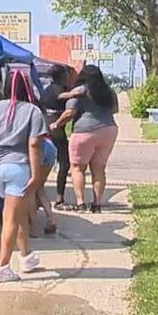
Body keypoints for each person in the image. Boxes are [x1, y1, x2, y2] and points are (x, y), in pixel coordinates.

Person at [0, 69, 48, 283]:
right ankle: (2, 266)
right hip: (18, 168)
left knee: (18, 213)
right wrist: (35, 175)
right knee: (11, 218)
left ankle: (26, 256)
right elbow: (34, 144)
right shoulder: (32, 111)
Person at [52, 64, 119, 213]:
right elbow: (114, 110)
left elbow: (69, 113)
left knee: (78, 168)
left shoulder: (79, 91)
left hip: (84, 132)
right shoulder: (109, 91)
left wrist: (56, 124)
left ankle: (81, 204)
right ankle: (96, 204)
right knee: (99, 169)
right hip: (109, 130)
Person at [40, 65, 75, 207]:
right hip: (56, 129)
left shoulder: (46, 89)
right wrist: (76, 94)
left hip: (45, 126)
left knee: (43, 163)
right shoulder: (57, 89)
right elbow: (60, 96)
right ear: (61, 76)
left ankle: (39, 192)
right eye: (67, 74)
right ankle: (60, 196)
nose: (68, 77)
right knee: (64, 163)